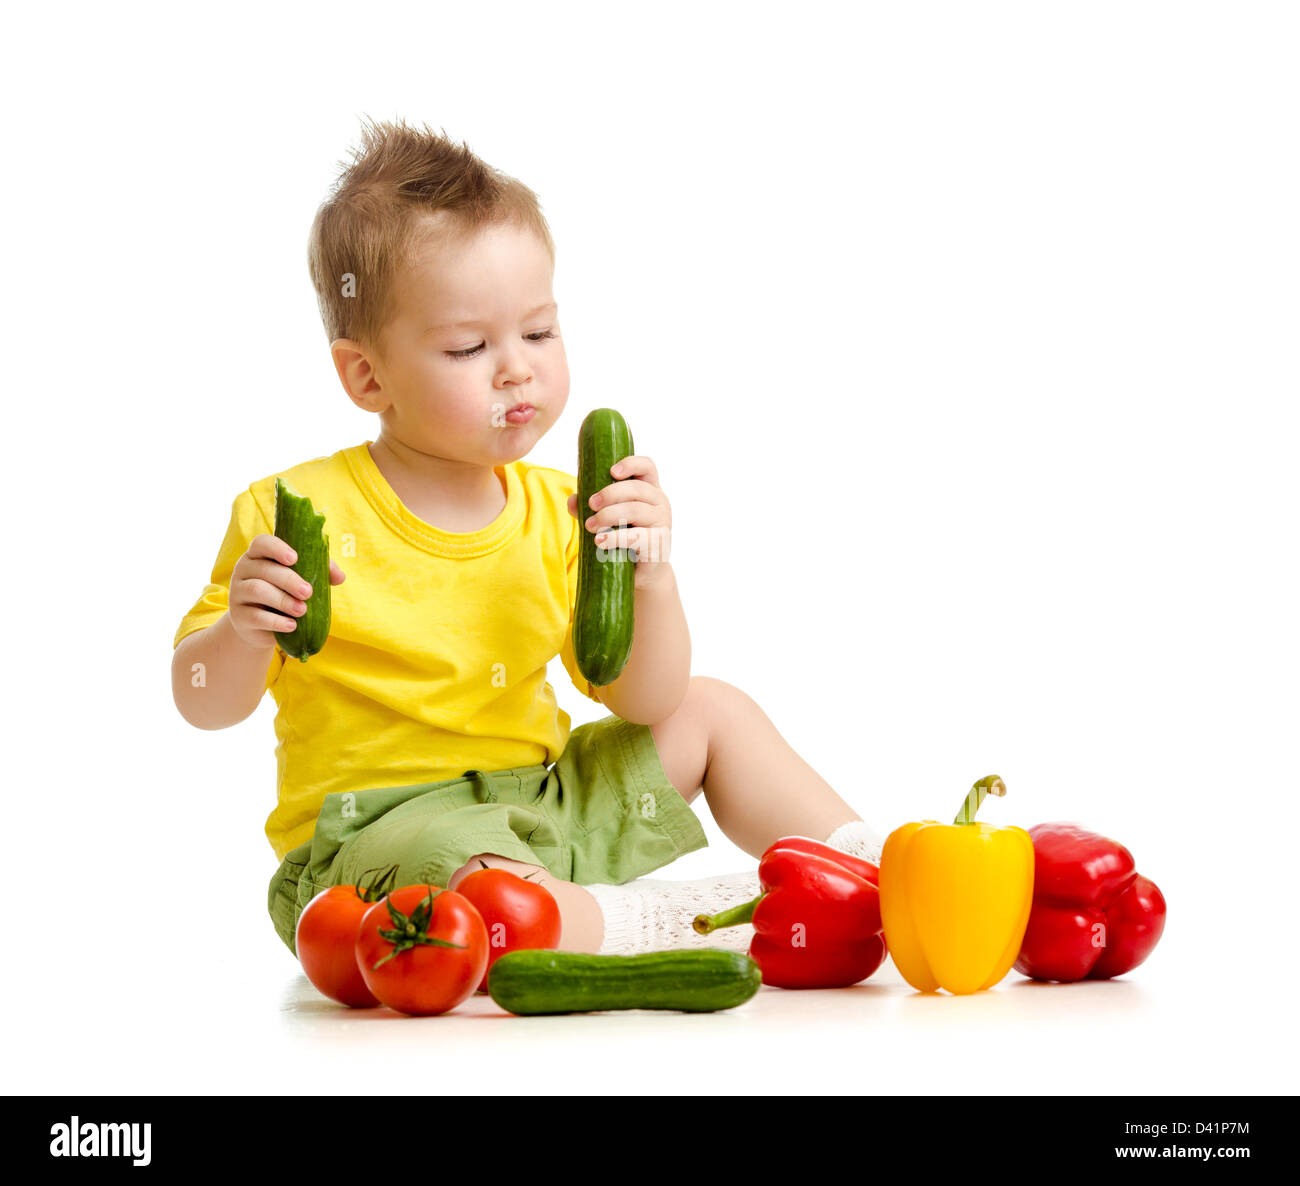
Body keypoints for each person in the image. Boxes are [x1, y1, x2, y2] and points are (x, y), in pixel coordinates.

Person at [171, 117, 883, 960]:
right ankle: (667, 924)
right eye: (469, 346)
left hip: (542, 806)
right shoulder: (292, 511)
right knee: (474, 876)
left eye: (539, 332)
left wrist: (651, 579)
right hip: (378, 847)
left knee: (713, 709)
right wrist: (243, 631)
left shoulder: (560, 509)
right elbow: (202, 701)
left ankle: (872, 871)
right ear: (367, 375)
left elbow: (646, 701)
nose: (518, 367)